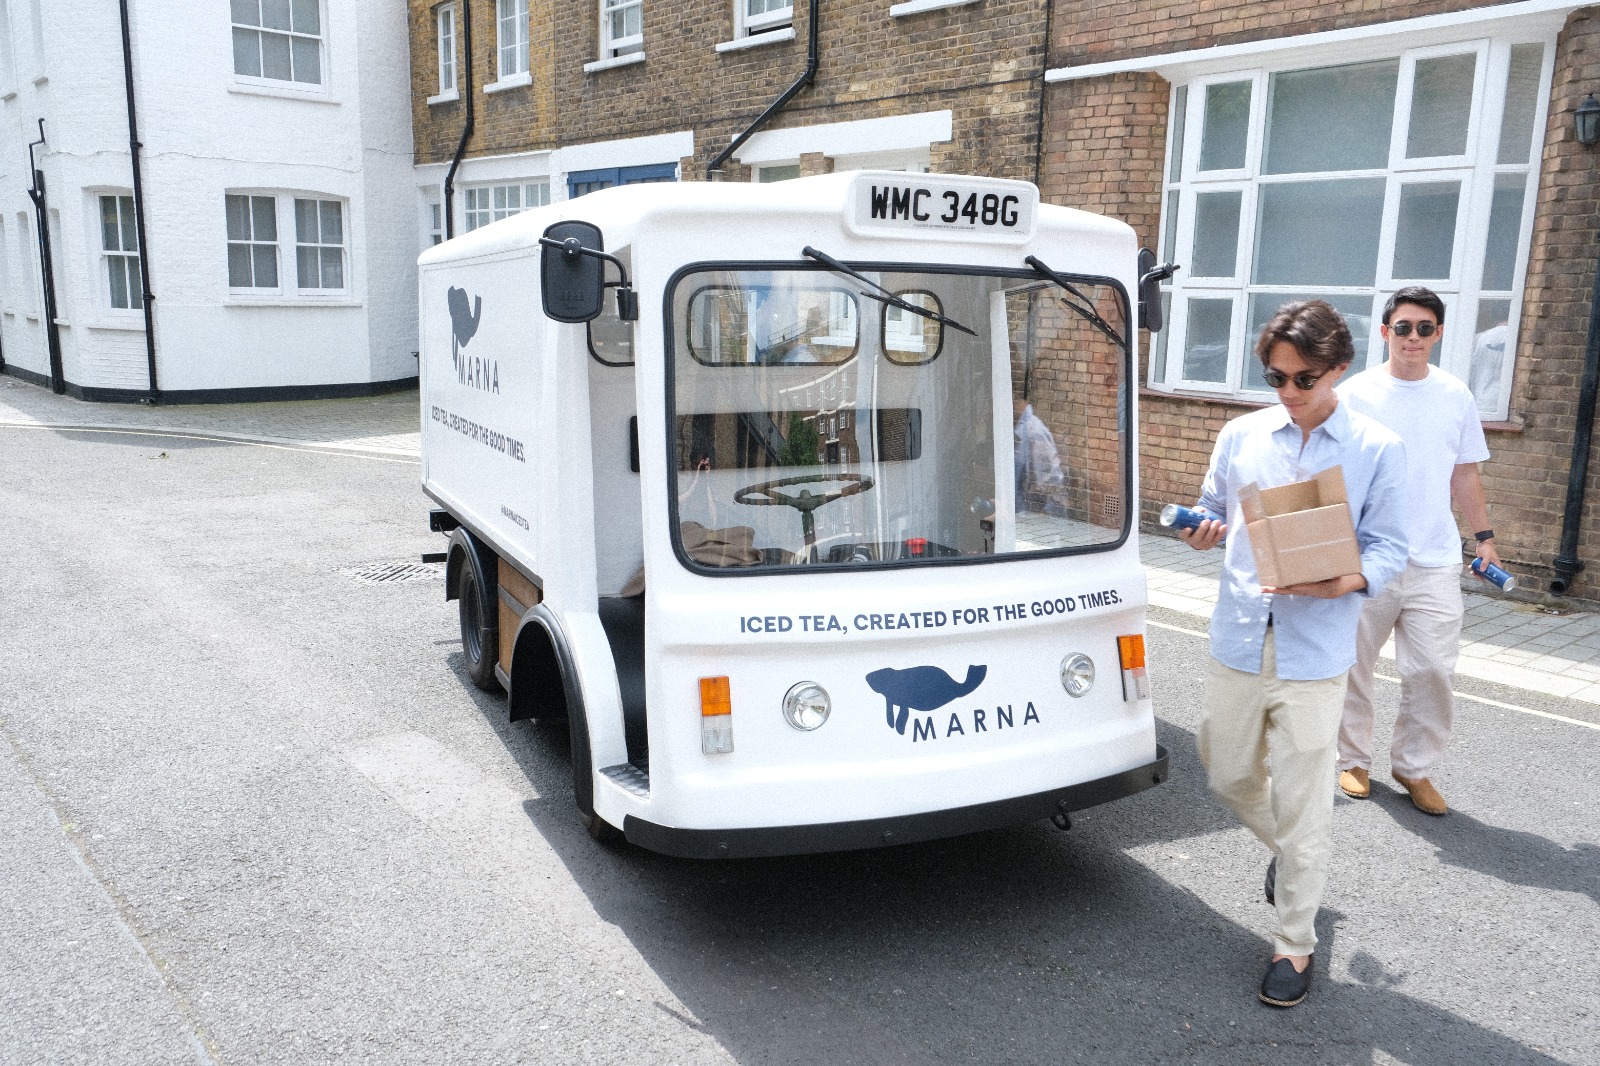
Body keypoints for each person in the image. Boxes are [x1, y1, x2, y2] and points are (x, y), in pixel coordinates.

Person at [1180, 300, 1408, 1008]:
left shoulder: (1376, 447)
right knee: (1227, 774)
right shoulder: (1242, 435)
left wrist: (1346, 580)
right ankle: (1293, 857)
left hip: (1318, 647)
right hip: (1239, 634)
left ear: (1339, 368)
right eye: (1275, 377)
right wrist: (1201, 528)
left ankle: (1295, 942)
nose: (1287, 391)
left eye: (1303, 378)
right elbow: (1212, 505)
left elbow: (1391, 547)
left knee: (1306, 801)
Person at [1336, 286, 1500, 816]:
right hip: (1368, 556)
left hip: (1435, 557)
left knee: (1433, 670)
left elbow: (1465, 474)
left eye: (1424, 328)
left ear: (1438, 334)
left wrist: (1485, 538)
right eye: (1403, 327)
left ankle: (1413, 766)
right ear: (1386, 332)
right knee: (1354, 664)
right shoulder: (1355, 394)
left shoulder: (1455, 395)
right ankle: (1352, 758)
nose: (1413, 337)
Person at [1013, 396, 1065, 514]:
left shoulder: (1035, 431)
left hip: (1032, 511)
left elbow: (1051, 474)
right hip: (1020, 509)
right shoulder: (1019, 429)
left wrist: (1047, 509)